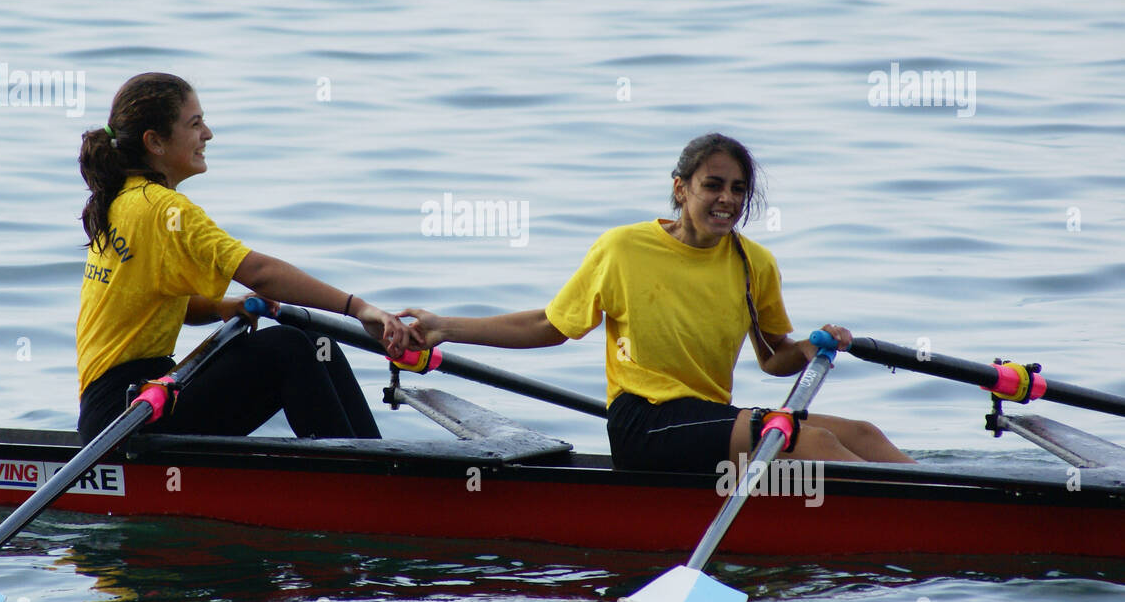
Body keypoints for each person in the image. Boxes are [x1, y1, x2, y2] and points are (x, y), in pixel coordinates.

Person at [400, 133, 914, 471]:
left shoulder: (753, 263)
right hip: (645, 422)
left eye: (738, 189)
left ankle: (947, 504)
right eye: (712, 185)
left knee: (865, 434)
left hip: (708, 418)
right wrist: (445, 327)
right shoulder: (623, 248)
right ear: (680, 188)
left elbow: (773, 357)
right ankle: (886, 529)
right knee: (817, 445)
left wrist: (807, 349)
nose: (728, 199)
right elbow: (549, 325)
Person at [76, 72, 408, 444]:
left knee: (316, 342)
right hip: (126, 418)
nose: (208, 134)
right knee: (291, 349)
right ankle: (362, 483)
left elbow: (161, 300)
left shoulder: (124, 198)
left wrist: (221, 306)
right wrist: (358, 308)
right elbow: (260, 273)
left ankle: (375, 461)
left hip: (122, 402)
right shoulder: (162, 209)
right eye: (195, 123)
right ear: (154, 142)